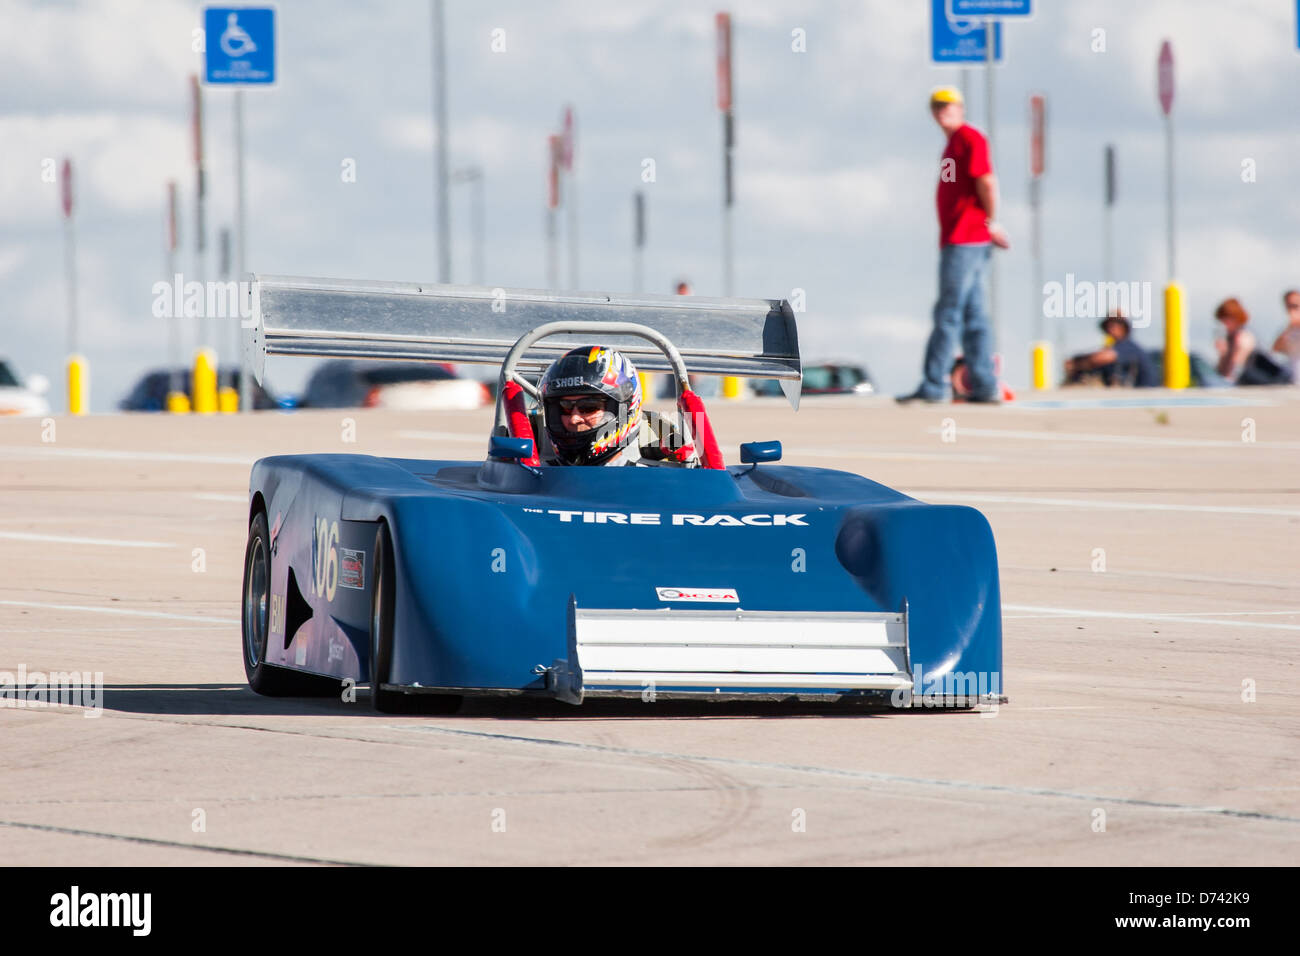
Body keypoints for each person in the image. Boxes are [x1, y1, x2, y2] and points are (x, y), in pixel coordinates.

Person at [898, 86, 1010, 405]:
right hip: (961, 239)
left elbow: (986, 180)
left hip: (965, 239)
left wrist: (991, 222)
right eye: (936, 106)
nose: (941, 110)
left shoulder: (970, 138)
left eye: (947, 105)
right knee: (974, 316)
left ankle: (934, 386)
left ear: (961, 107)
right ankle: (986, 385)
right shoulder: (953, 143)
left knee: (948, 313)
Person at [536, 346, 695, 467]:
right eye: (565, 407)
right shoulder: (531, 471)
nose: (574, 418)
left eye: (588, 407)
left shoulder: (657, 476)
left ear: (622, 409)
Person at [1064, 313, 1157, 387]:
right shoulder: (1115, 346)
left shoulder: (1128, 346)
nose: (1111, 329)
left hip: (1143, 394)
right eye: (1109, 325)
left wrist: (1076, 363)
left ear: (1124, 327)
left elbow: (1100, 358)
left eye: (1116, 324)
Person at [1270, 289, 1300, 383]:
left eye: (1295, 306)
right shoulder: (1289, 330)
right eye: (1289, 306)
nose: (1292, 310)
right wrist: (1289, 327)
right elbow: (1275, 349)